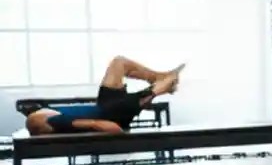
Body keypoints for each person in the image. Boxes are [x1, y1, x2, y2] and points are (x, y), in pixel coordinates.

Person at [22, 56, 183, 135]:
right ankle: (164, 84)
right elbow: (96, 124)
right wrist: (125, 137)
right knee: (155, 90)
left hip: (105, 105)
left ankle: (158, 78)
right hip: (111, 113)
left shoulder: (44, 118)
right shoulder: (50, 121)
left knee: (119, 62)